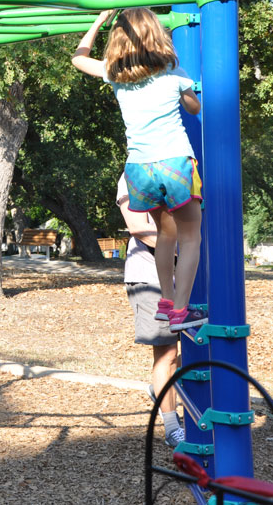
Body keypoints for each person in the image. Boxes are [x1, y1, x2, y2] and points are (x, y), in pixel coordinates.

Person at [72, 8, 205, 332]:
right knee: (190, 238)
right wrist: (186, 94)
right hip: (174, 163)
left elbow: (79, 58)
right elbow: (194, 107)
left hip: (139, 168)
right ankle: (180, 310)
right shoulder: (172, 71)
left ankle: (165, 303)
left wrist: (99, 21)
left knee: (165, 235)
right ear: (156, 36)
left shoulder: (114, 73)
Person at [117, 174, 184, 447]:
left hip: (185, 277)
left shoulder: (177, 170)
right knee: (167, 352)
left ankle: (160, 388)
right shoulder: (131, 175)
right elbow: (137, 227)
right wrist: (187, 247)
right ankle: (172, 427)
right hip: (150, 277)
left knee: (199, 348)